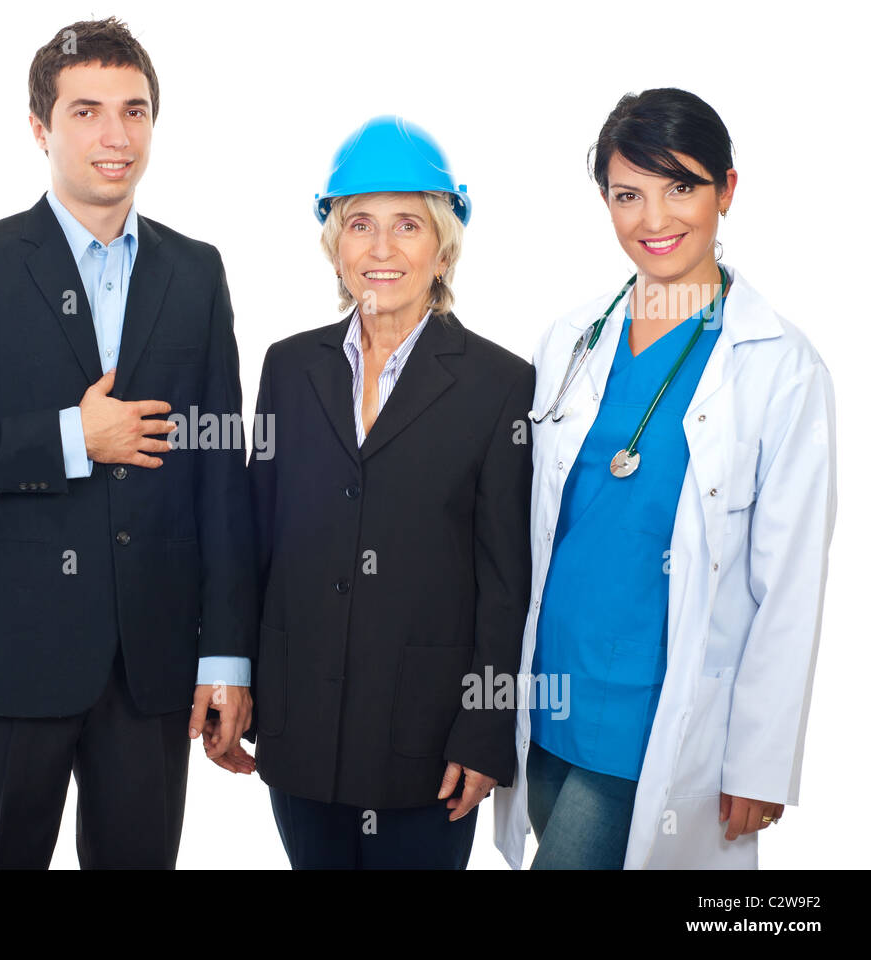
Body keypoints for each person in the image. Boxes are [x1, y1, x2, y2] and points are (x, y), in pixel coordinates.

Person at [0, 18, 257, 869]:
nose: (116, 136)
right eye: (87, 111)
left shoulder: (198, 270)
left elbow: (222, 474)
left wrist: (226, 655)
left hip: (154, 663)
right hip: (12, 656)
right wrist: (72, 438)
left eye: (135, 111)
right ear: (41, 129)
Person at [494, 88, 837, 869]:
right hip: (549, 697)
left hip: (659, 711)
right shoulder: (570, 339)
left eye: (680, 186)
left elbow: (789, 582)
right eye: (628, 195)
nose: (654, 220)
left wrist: (762, 758)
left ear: (727, 190)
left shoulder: (779, 367)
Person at [223, 116, 533, 869]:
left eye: (408, 225)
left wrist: (485, 728)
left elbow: (505, 583)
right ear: (334, 242)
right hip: (300, 730)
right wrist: (232, 673)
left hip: (425, 743)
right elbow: (249, 540)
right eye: (360, 224)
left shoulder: (499, 384)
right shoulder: (290, 368)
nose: (383, 249)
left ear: (443, 244)